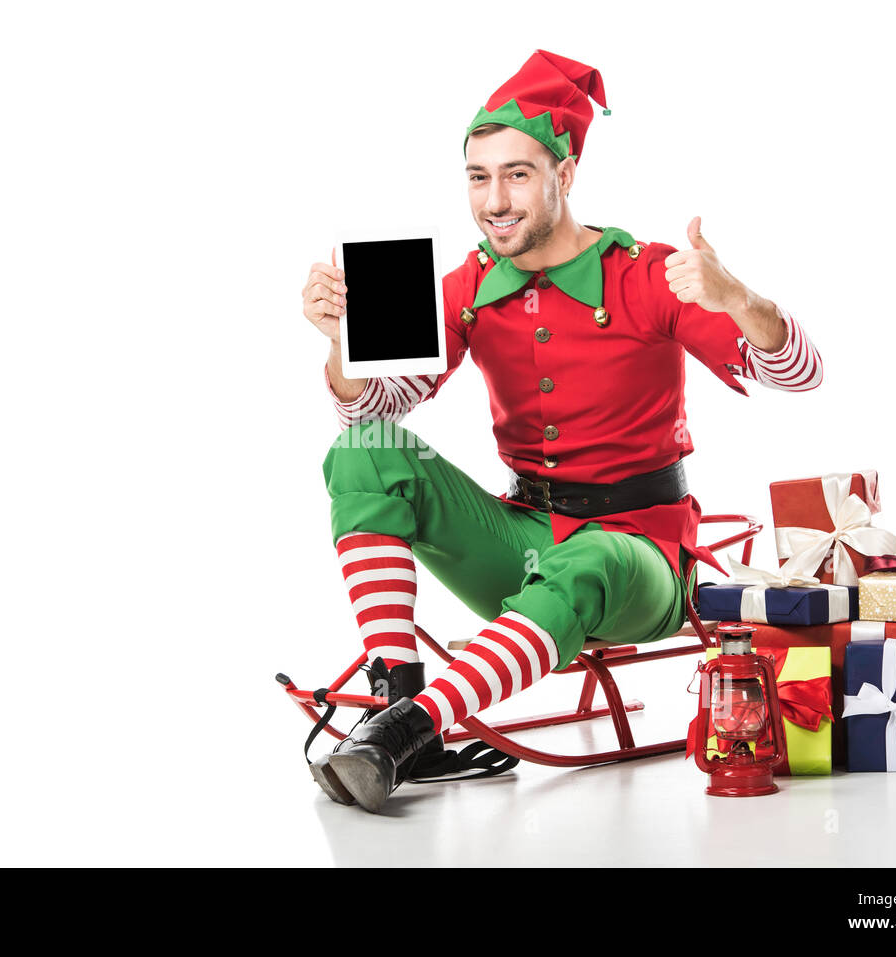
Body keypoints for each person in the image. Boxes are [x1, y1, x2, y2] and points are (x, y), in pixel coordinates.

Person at [300, 49, 823, 813]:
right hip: (524, 540)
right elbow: (373, 413)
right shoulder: (469, 284)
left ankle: (407, 734)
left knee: (593, 557)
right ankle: (396, 694)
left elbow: (800, 374)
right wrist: (341, 347)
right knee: (364, 453)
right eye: (479, 177)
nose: (495, 200)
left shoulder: (644, 274)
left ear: (565, 174)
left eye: (517, 173)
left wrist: (740, 297)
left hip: (639, 554)